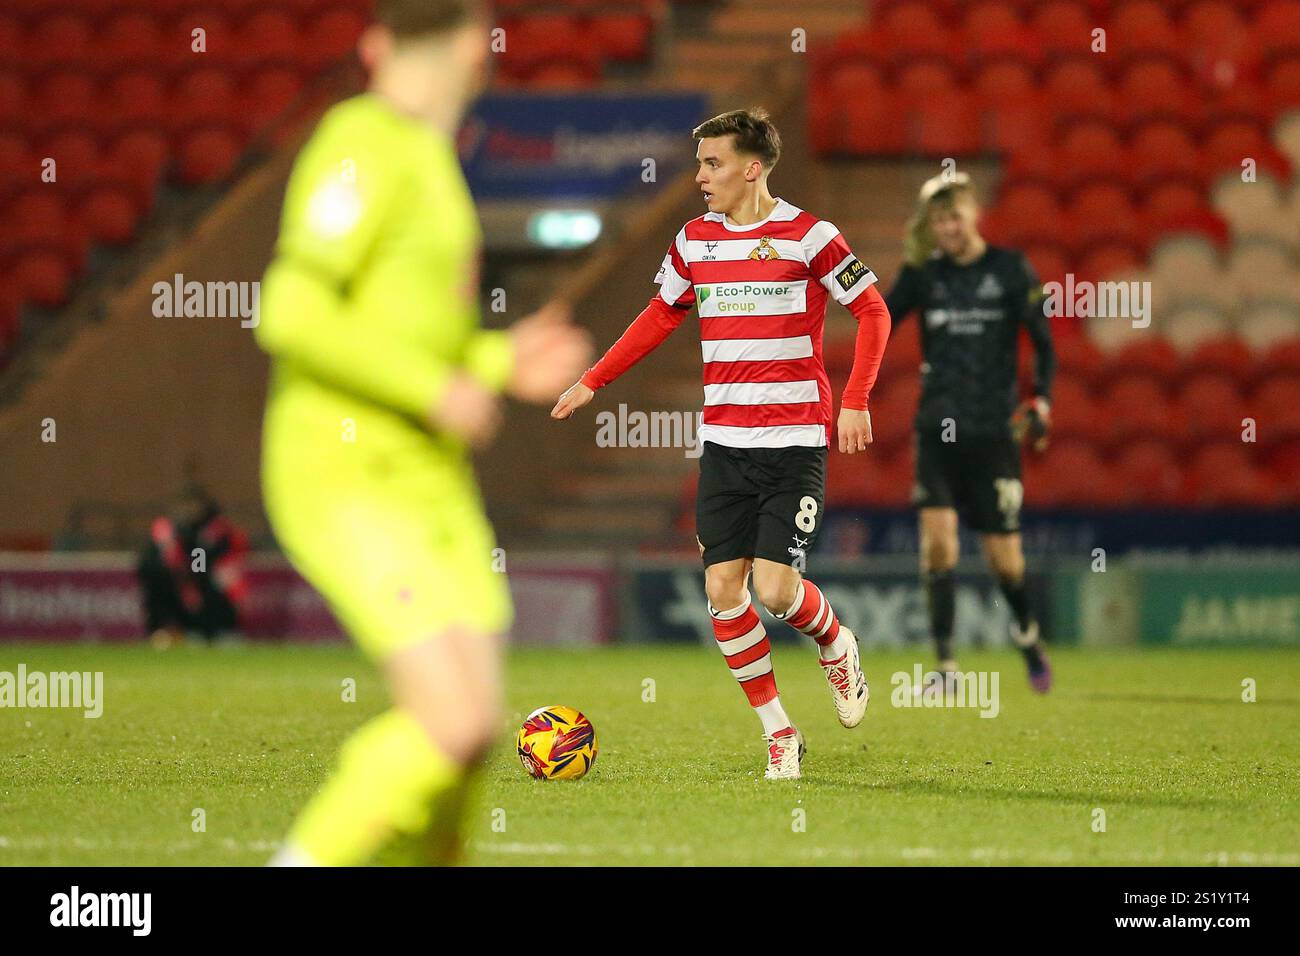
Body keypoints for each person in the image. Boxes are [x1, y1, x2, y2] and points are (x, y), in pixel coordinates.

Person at [255, 0, 590, 866]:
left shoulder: (428, 159)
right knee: (454, 721)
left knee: (473, 740)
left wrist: (492, 363)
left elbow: (413, 338)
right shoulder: (363, 139)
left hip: (431, 483)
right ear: (478, 47)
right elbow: (289, 308)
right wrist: (435, 385)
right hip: (348, 470)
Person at [552, 108, 890, 780]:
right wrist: (595, 378)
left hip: (793, 443)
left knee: (775, 589)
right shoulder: (693, 240)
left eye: (713, 164)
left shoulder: (808, 237)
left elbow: (873, 310)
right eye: (700, 163)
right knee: (723, 591)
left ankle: (837, 642)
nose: (701, 176)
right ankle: (780, 735)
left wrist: (854, 399)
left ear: (752, 167)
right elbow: (659, 315)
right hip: (725, 447)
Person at [884, 172, 1056, 693]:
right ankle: (946, 668)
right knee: (938, 546)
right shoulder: (923, 275)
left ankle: (1026, 634)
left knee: (1005, 559)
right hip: (937, 427)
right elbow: (880, 320)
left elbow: (1044, 343)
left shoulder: (1009, 270)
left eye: (954, 217)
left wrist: (1041, 399)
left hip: (993, 432)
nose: (947, 229)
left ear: (974, 214)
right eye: (937, 221)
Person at [136, 484, 248, 647]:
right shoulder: (179, 529)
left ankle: (215, 631)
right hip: (179, 579)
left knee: (210, 597)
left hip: (205, 578)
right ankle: (176, 631)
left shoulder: (210, 528)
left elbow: (203, 557)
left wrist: (196, 578)